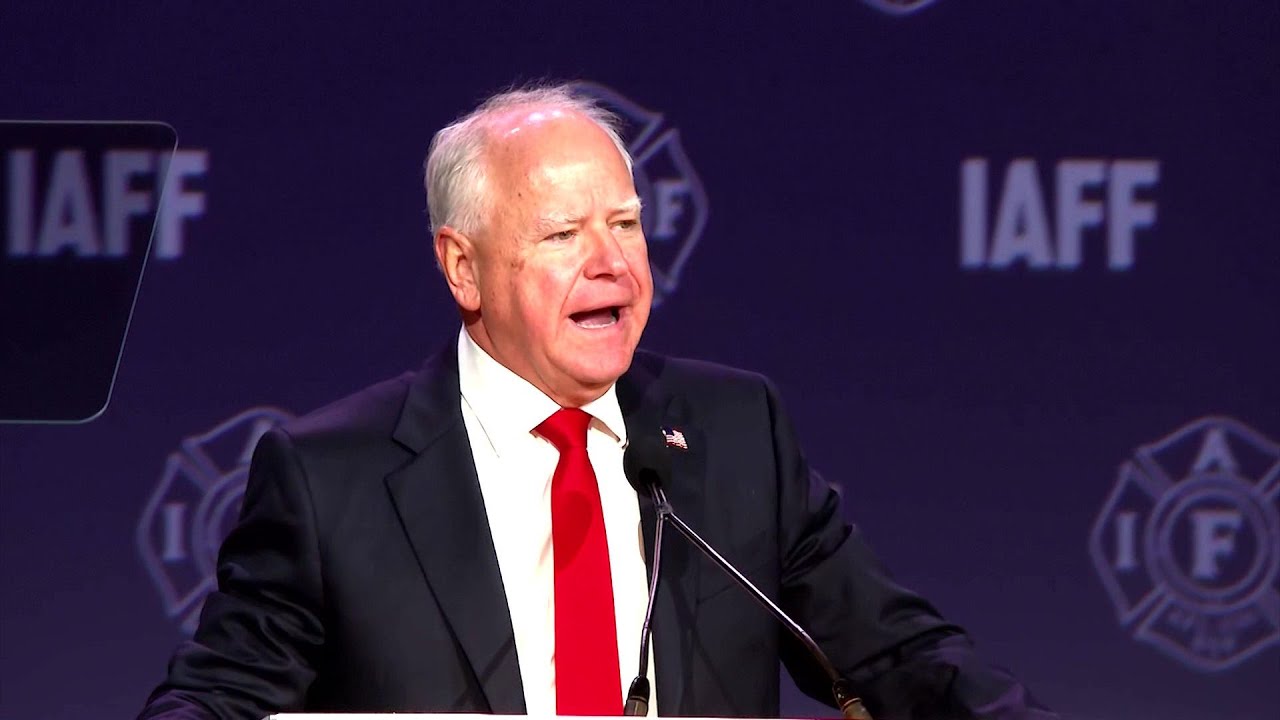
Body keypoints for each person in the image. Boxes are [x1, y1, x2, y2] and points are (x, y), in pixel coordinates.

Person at [139, 84, 1056, 720]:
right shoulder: (329, 479)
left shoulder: (736, 434)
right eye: (562, 234)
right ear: (463, 268)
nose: (612, 262)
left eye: (624, 225)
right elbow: (220, 697)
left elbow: (898, 656)